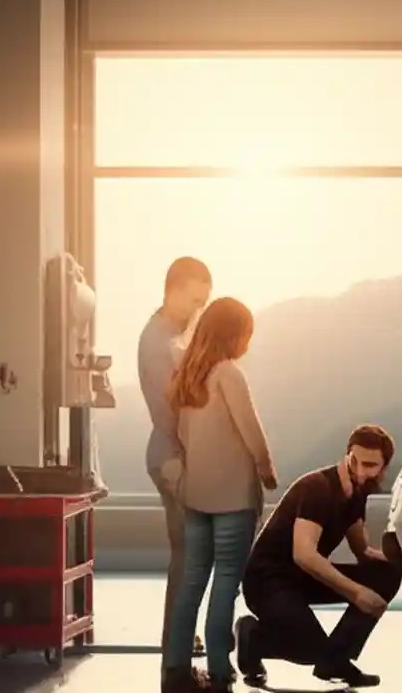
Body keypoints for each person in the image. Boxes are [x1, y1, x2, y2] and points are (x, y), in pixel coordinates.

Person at [162, 297, 279, 693]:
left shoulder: (188, 375)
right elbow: (251, 430)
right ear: (236, 334)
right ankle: (218, 670)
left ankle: (176, 669)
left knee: (192, 581)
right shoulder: (229, 374)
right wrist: (266, 470)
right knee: (226, 581)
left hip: (196, 496)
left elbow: (181, 436)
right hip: (233, 498)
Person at [234, 424, 402, 689]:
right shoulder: (318, 488)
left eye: (370, 465)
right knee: (309, 649)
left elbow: (363, 551)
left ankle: (336, 661)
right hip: (267, 582)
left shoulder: (356, 495)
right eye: (354, 461)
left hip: (301, 580)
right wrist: (357, 593)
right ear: (347, 455)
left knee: (388, 574)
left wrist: (401, 562)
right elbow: (304, 555)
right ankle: (253, 637)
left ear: (383, 468)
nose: (360, 471)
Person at [139, 256, 211, 657]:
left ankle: (181, 637)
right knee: (190, 552)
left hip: (175, 455)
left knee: (190, 552)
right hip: (173, 458)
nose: (197, 309)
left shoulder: (173, 333)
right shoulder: (159, 343)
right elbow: (173, 411)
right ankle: (178, 642)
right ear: (173, 289)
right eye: (194, 300)